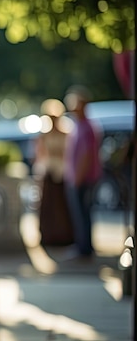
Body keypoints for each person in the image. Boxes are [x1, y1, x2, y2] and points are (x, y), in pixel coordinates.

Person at [63, 85, 102, 258]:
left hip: (84, 178)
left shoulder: (87, 127)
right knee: (80, 213)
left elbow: (86, 155)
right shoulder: (78, 125)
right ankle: (83, 245)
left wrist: (78, 177)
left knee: (82, 213)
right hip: (77, 177)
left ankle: (84, 249)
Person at [33, 98, 73, 246]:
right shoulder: (44, 135)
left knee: (62, 206)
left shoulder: (66, 133)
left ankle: (64, 236)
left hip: (62, 172)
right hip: (50, 170)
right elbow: (40, 154)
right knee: (49, 206)